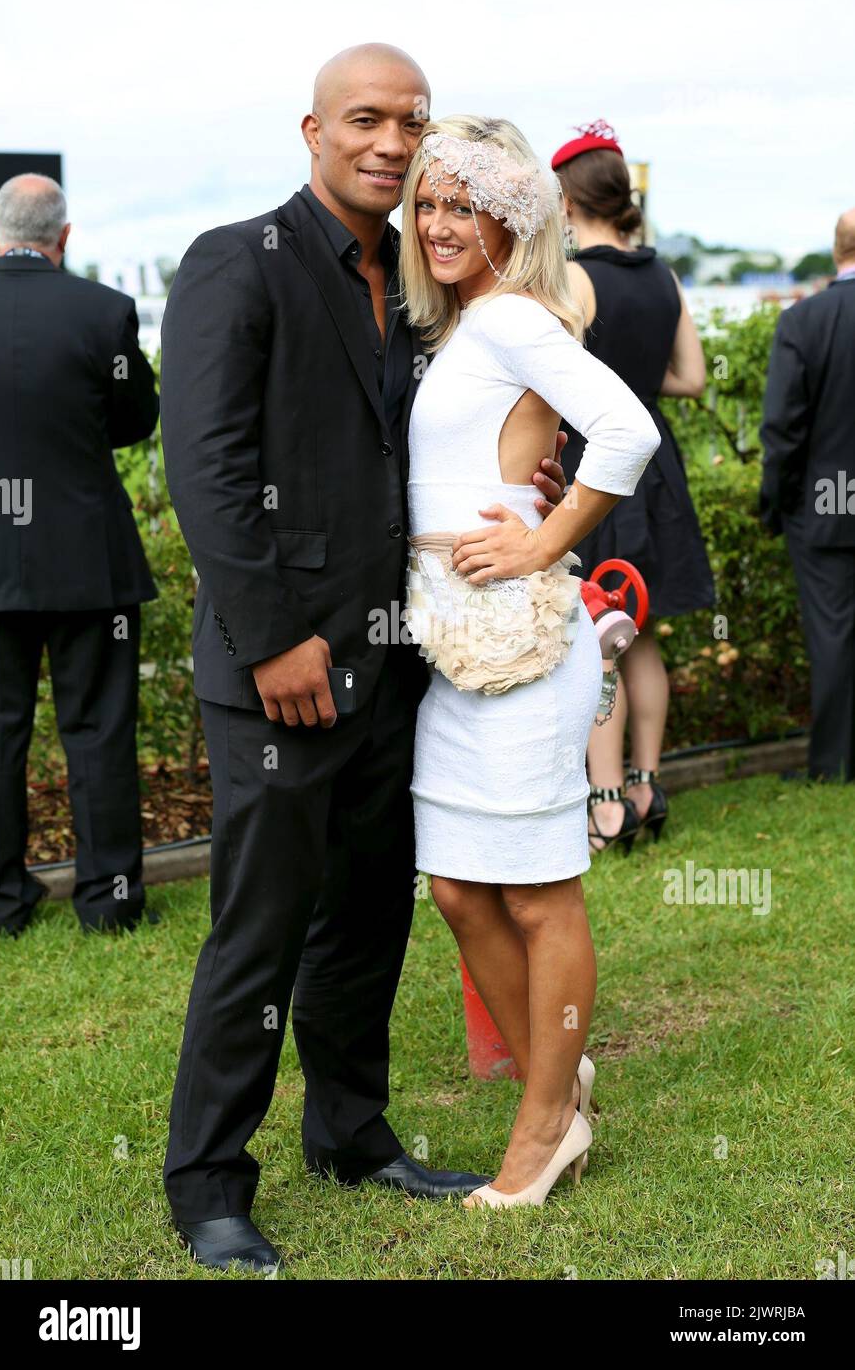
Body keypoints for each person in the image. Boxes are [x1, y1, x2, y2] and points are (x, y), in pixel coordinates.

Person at [159, 45, 569, 1272]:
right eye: (366, 120)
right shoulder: (239, 261)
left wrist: (524, 479)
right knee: (260, 931)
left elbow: (423, 449)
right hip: (279, 667)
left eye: (412, 123)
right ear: (313, 129)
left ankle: (348, 1132)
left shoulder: (410, 279)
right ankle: (208, 1182)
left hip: (399, 663)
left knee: (363, 924)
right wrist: (274, 638)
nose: (391, 143)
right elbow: (209, 471)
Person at [399, 116, 660, 1207]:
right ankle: (563, 1073)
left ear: (515, 215)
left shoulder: (509, 317)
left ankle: (544, 1123)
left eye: (466, 203)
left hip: (516, 638)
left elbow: (628, 429)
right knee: (458, 889)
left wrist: (544, 538)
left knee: (540, 895)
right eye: (428, 202)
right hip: (450, 636)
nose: (440, 223)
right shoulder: (461, 326)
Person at [0, 174, 158, 936]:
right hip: (90, 557)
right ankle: (110, 901)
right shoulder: (105, 311)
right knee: (98, 730)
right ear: (64, 238)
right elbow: (134, 419)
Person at [552, 121, 714, 854]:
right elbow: (692, 378)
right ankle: (648, 786)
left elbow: (551, 386)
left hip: (598, 467)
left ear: (565, 200)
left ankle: (607, 805)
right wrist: (640, 381)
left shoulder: (575, 279)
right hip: (659, 467)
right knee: (640, 636)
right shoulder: (665, 275)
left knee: (597, 639)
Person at [760, 208, 855, 782]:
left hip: (826, 502)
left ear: (837, 248)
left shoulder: (804, 320)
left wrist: (776, 503)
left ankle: (834, 763)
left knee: (833, 632)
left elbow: (783, 429)